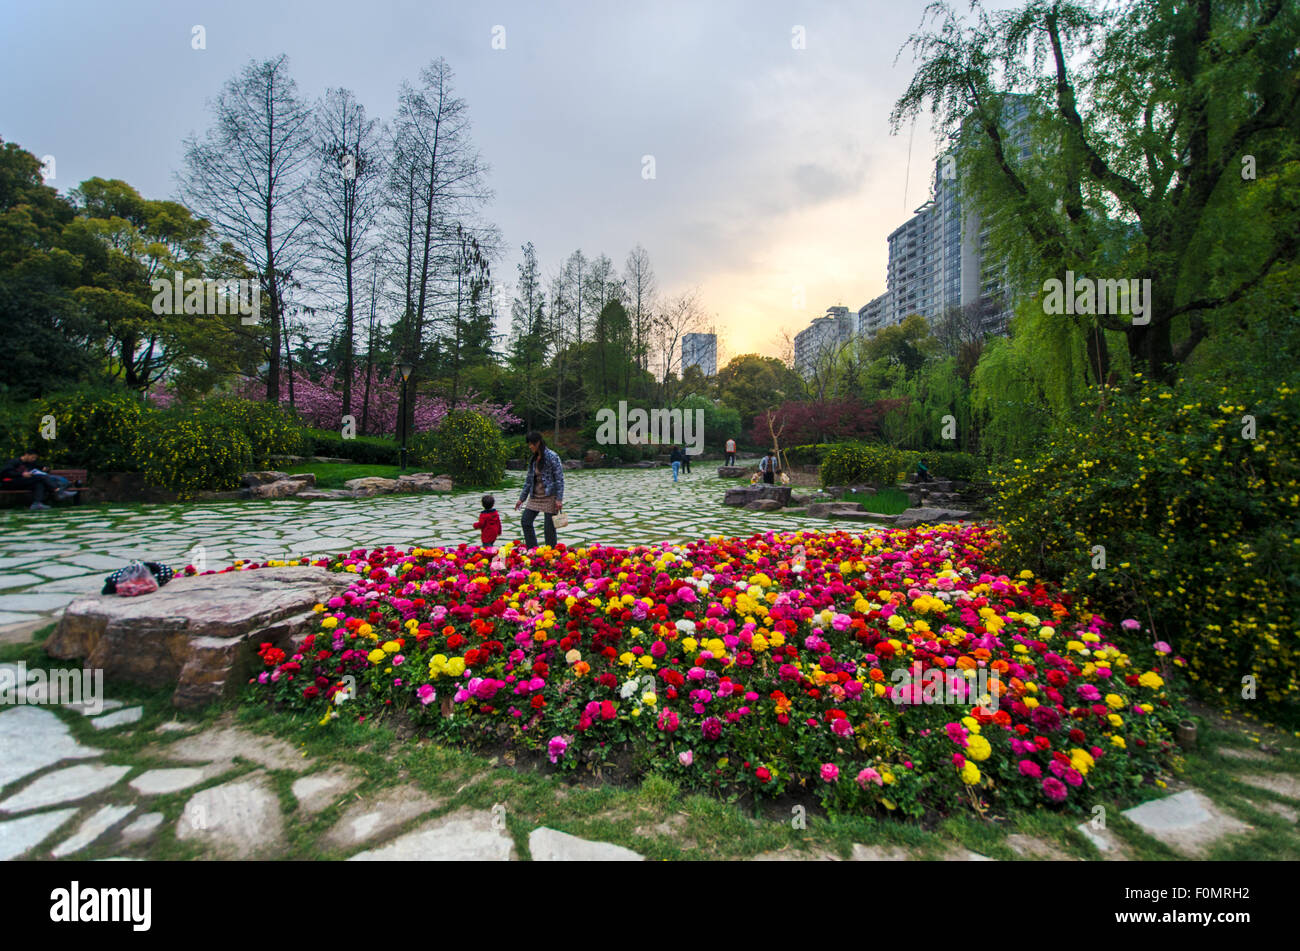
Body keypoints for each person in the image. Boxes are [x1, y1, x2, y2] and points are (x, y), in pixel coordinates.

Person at [515, 431, 564, 548]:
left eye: (531, 444)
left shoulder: (552, 456)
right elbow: (528, 481)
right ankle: (533, 550)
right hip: (535, 496)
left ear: (538, 443)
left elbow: (559, 479)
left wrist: (559, 499)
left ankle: (551, 554)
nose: (530, 446)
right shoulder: (534, 459)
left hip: (550, 496)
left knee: (549, 528)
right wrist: (521, 499)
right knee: (526, 521)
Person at [1, 451, 73, 510]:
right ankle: (58, 492)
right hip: (11, 482)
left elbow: (39, 467)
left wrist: (44, 469)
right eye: (33, 457)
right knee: (40, 477)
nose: (34, 459)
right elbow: (5, 472)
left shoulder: (29, 464)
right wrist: (21, 474)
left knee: (38, 483)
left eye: (35, 458)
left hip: (22, 482)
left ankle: (37, 504)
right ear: (26, 455)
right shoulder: (14, 462)